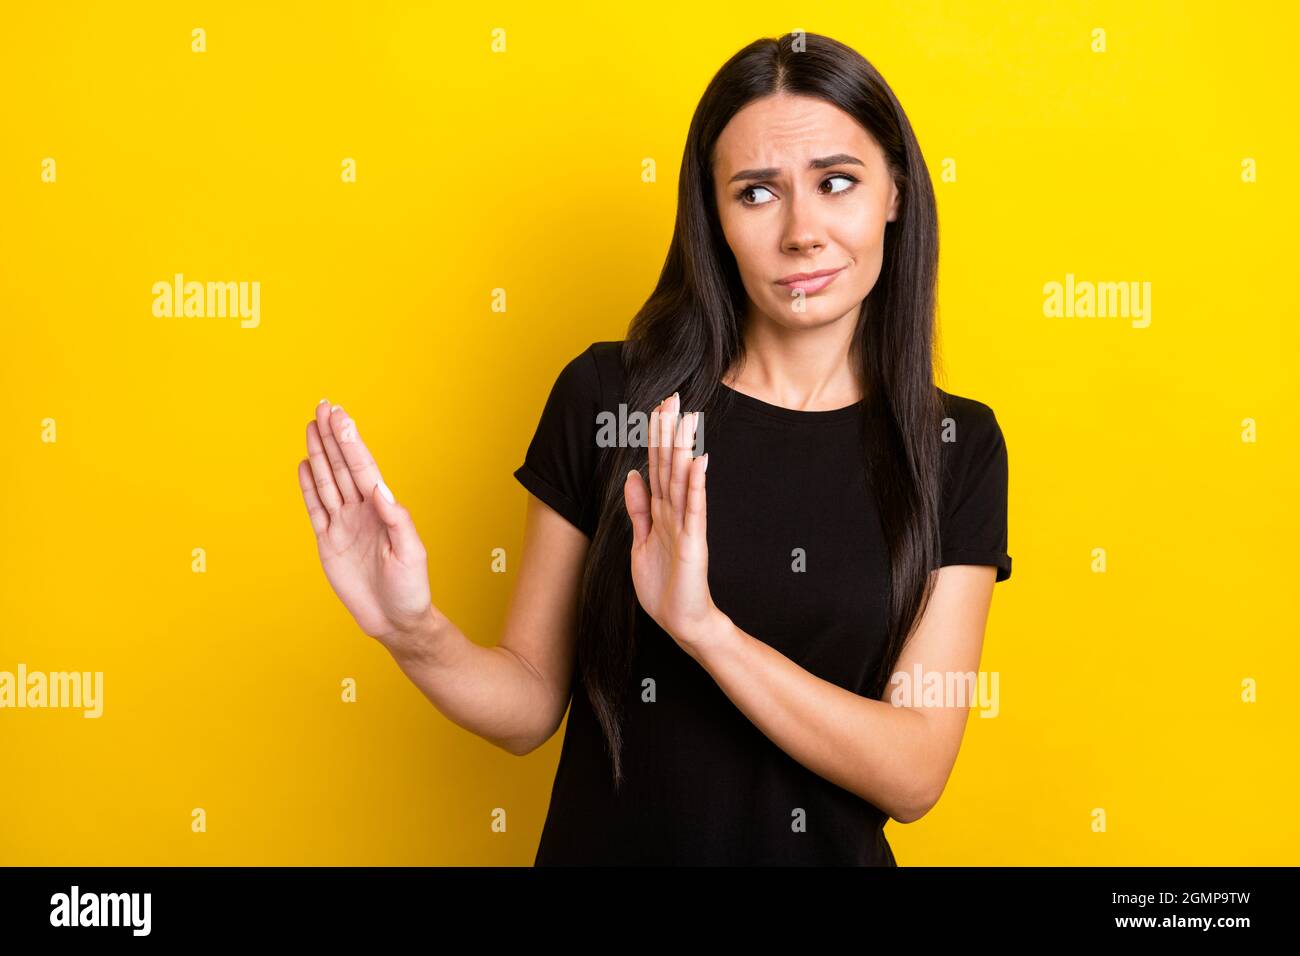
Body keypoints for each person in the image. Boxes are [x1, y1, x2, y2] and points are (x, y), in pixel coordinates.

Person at [296, 31, 1011, 866]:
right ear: (712, 213)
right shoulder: (612, 400)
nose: (802, 232)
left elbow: (917, 769)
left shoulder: (955, 446)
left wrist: (705, 630)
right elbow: (528, 703)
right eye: (756, 193)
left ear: (894, 192)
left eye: (837, 182)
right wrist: (411, 629)